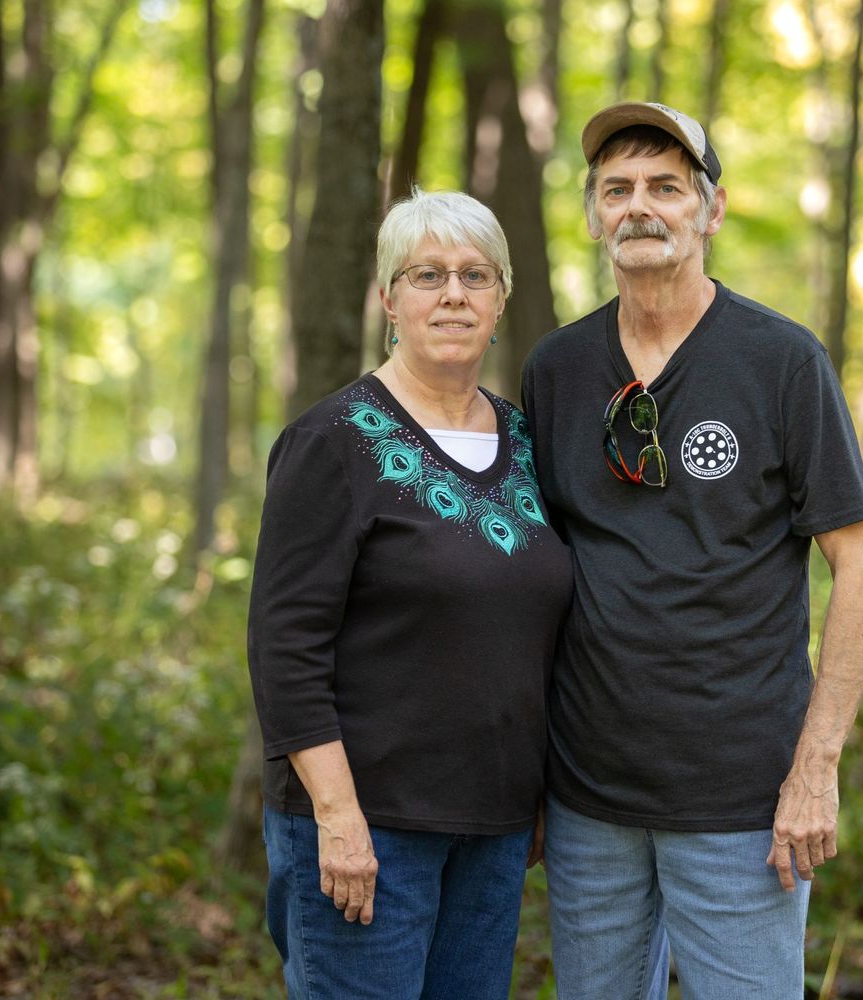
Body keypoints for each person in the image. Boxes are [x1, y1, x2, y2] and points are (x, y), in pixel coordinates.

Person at [521, 102, 863, 998]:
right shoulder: (556, 371)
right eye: (617, 189)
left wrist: (816, 767)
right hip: (589, 798)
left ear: (711, 210)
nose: (640, 206)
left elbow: (862, 565)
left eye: (667, 187)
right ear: (594, 215)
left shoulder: (783, 362)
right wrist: (526, 773)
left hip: (743, 800)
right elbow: (535, 580)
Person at [248, 188, 573, 1000]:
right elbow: (285, 651)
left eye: (475, 275)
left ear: (501, 298)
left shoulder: (529, 442)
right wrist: (338, 817)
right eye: (427, 275)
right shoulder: (330, 441)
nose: (453, 294)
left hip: (494, 828)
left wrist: (537, 794)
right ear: (389, 299)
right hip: (366, 827)